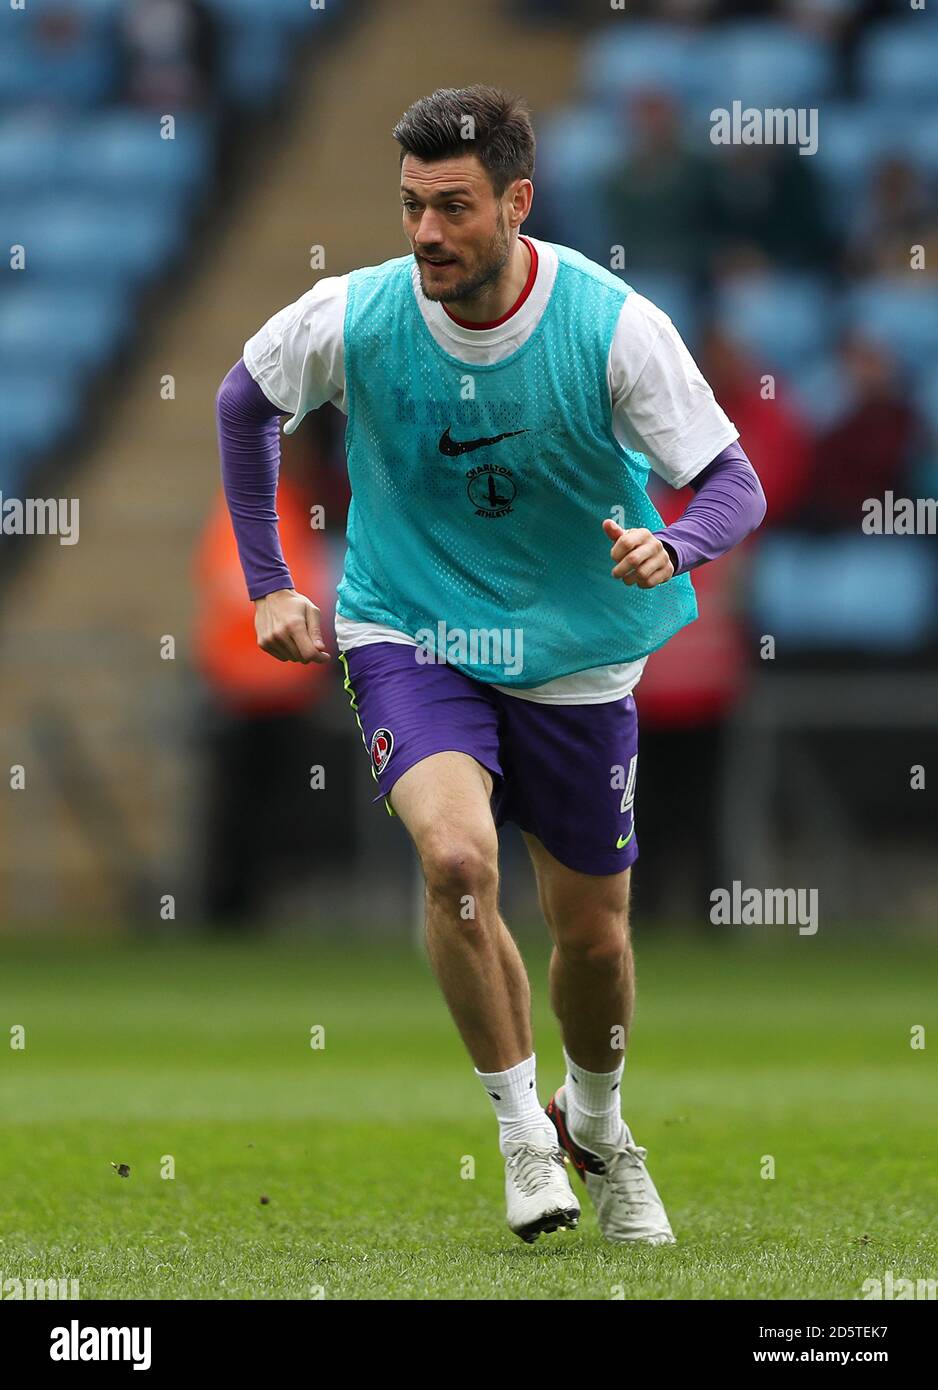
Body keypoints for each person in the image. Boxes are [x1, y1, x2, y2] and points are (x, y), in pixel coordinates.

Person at [215, 85, 766, 1245]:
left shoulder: (610, 324)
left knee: (594, 939)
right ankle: (522, 1131)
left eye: (453, 207)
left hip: (572, 656)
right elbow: (242, 401)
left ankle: (597, 1123)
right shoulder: (355, 312)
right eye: (412, 204)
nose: (425, 232)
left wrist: (670, 544)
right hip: (409, 630)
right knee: (457, 860)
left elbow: (732, 484)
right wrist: (269, 580)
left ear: (516, 203)